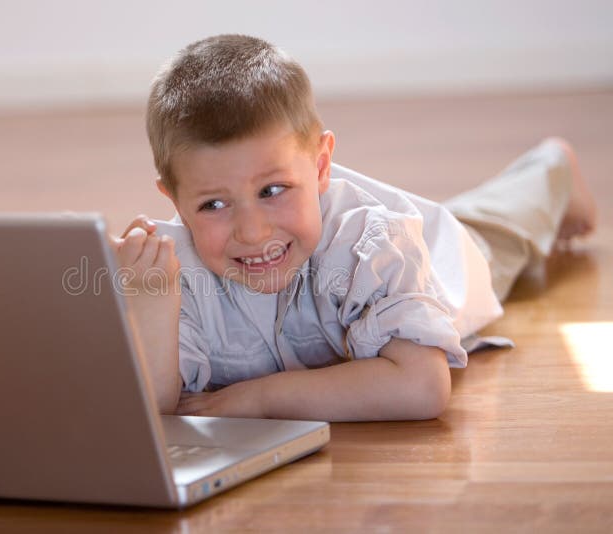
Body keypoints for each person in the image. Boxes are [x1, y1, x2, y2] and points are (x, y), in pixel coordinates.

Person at [109, 34, 597, 422]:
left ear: (321, 166)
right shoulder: (176, 272)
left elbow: (421, 388)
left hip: (441, 256)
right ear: (173, 201)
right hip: (349, 224)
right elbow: (154, 413)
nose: (252, 232)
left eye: (272, 190)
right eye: (214, 203)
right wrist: (148, 307)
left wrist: (259, 400)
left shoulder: (370, 245)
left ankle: (552, 168)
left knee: (493, 231)